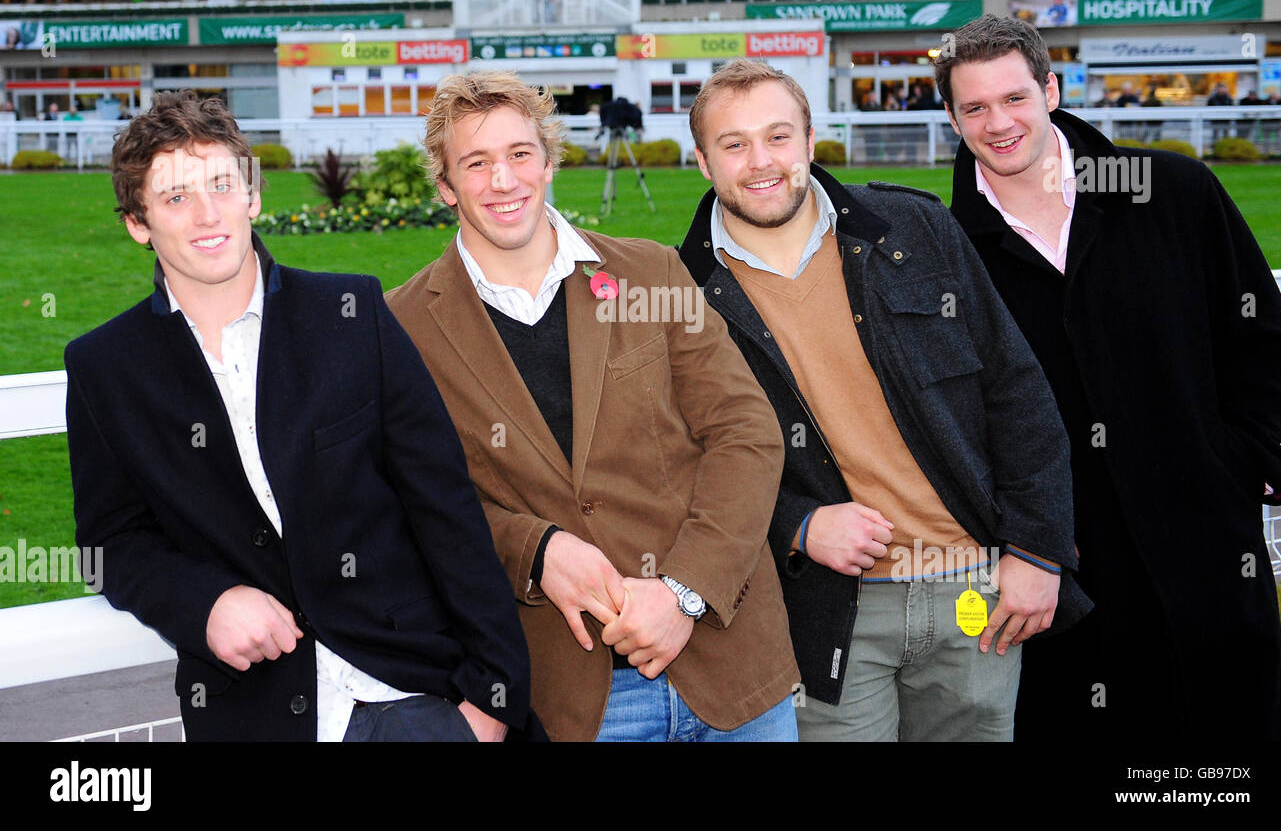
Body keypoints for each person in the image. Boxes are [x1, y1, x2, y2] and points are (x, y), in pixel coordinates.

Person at [65, 91, 540, 742]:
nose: (208, 215)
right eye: (176, 197)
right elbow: (108, 544)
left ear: (252, 196)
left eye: (222, 186)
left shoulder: (350, 313)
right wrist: (203, 605)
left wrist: (491, 703)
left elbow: (445, 504)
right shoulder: (106, 367)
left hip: (414, 696)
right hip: (257, 713)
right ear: (138, 223)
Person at [678, 58, 1087, 741]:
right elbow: (683, 459)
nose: (761, 162)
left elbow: (1016, 389)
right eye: (734, 143)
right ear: (702, 161)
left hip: (972, 592)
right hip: (824, 609)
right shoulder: (680, 288)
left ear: (811, 141)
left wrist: (1041, 552)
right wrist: (797, 527)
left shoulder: (914, 228)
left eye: (778, 137)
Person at [385, 70, 800, 742]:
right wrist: (534, 549)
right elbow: (415, 498)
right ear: (445, 186)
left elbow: (746, 435)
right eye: (476, 162)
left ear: (548, 163)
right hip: (574, 697)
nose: (503, 179)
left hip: (725, 666)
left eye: (520, 154)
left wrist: (682, 592)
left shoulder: (651, 272)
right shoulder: (401, 326)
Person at [937, 14, 1281, 742]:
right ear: (951, 116)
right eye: (974, 107)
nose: (998, 123)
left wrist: (1237, 461)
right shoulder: (945, 247)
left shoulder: (1175, 191)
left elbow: (1257, 336)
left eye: (1014, 99)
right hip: (1062, 568)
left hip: (1203, 541)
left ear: (1052, 89)